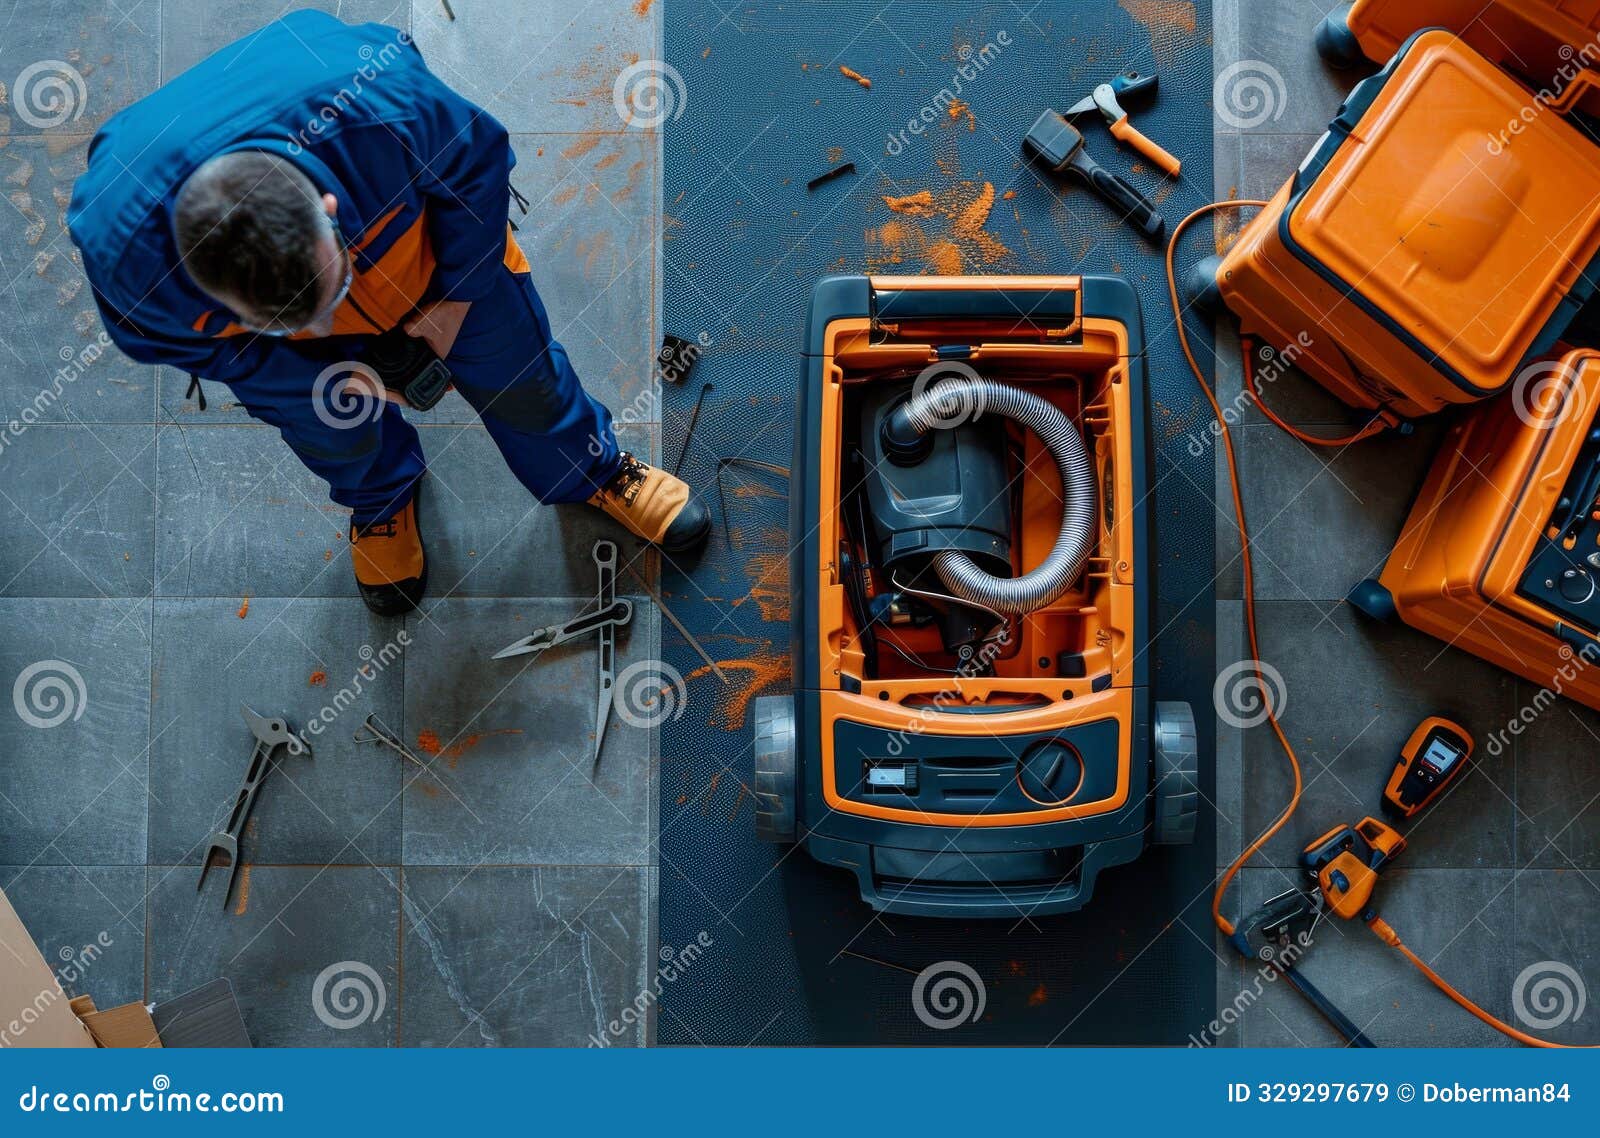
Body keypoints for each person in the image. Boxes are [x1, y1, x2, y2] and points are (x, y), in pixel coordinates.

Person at [67, 10, 708, 617]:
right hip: (280, 349)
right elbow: (188, 346)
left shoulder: (376, 101)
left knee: (520, 379)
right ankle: (380, 499)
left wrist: (456, 299)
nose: (327, 333)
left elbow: (476, 167)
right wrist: (318, 371)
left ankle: (588, 469)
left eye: (324, 296)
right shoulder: (125, 256)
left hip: (435, 265)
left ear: (327, 205)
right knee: (326, 422)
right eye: (297, 321)